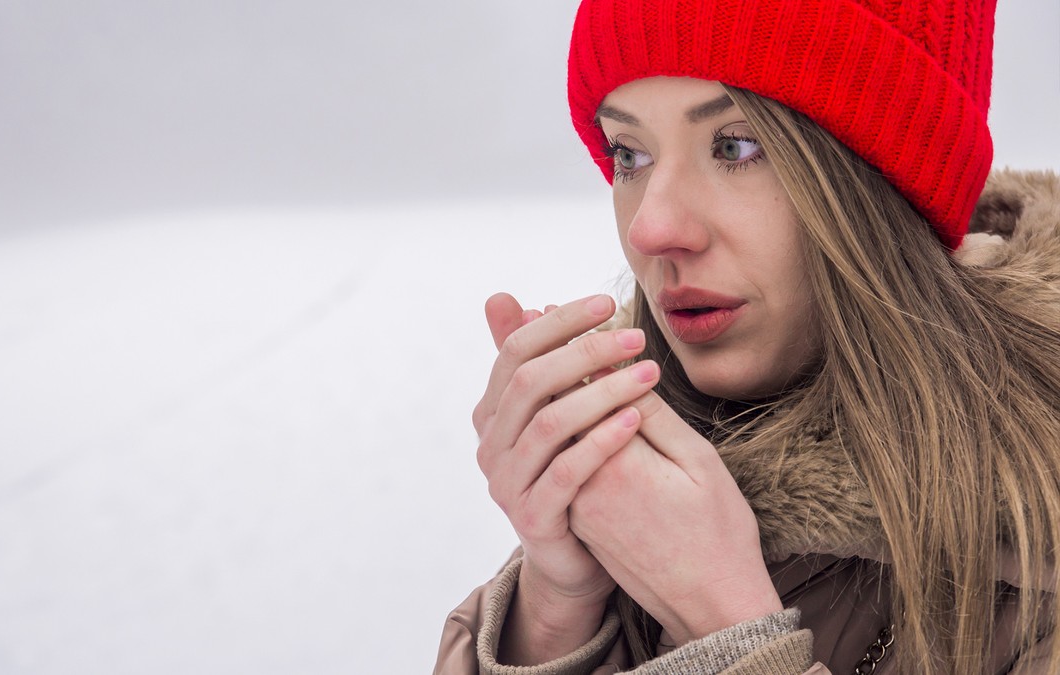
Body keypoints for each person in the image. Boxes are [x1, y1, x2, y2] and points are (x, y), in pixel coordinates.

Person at [434, 0, 1060, 673]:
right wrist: (558, 607)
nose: (651, 228)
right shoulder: (625, 467)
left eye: (736, 145)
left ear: (881, 184)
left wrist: (733, 633)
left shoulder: (1036, 547)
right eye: (629, 153)